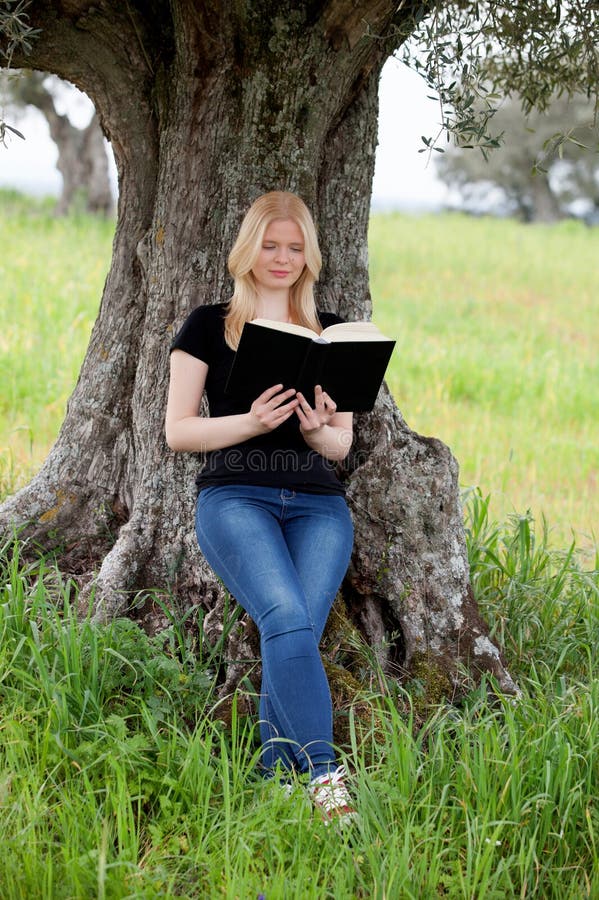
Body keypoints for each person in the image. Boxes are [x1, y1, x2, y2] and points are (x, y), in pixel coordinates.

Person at [165, 191, 356, 825]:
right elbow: (178, 432)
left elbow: (341, 442)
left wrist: (313, 431)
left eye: (295, 248)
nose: (282, 258)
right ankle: (327, 782)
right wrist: (249, 422)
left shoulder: (331, 331)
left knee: (293, 630)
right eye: (270, 245)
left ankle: (277, 778)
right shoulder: (207, 324)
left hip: (319, 506)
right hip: (236, 496)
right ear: (248, 248)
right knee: (287, 618)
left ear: (310, 255)